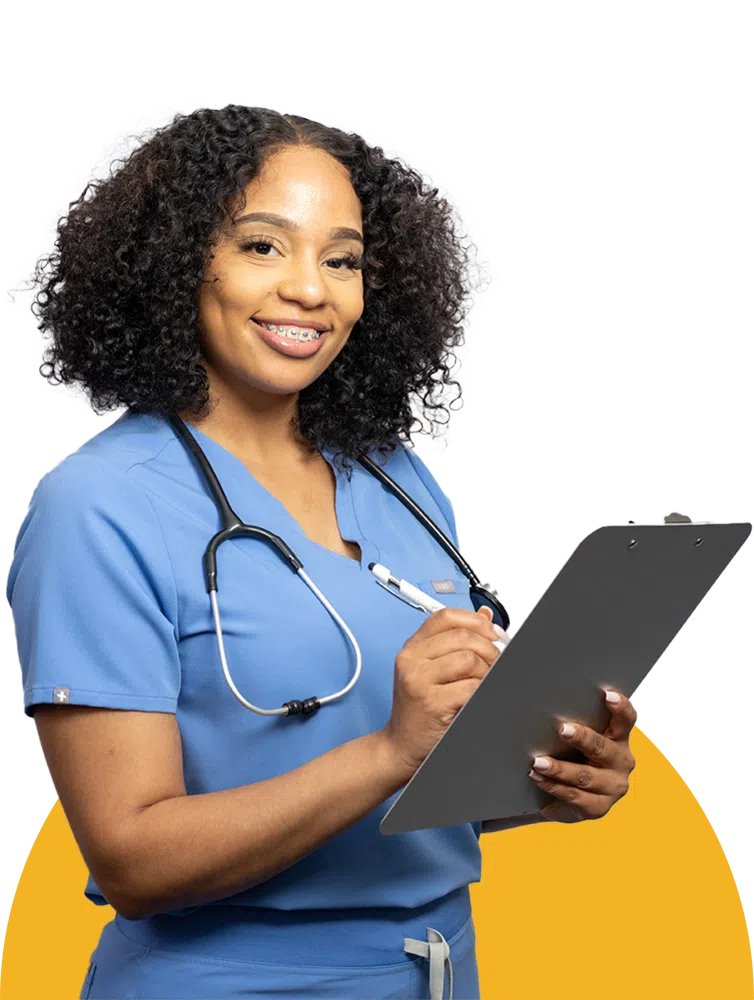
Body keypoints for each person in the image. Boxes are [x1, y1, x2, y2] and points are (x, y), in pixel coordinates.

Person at [7, 104, 637, 1000]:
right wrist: (387, 750)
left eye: (342, 260)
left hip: (435, 972)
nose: (311, 289)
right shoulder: (100, 505)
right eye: (263, 246)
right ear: (179, 262)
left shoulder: (394, 478)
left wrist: (546, 780)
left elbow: (400, 799)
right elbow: (134, 861)